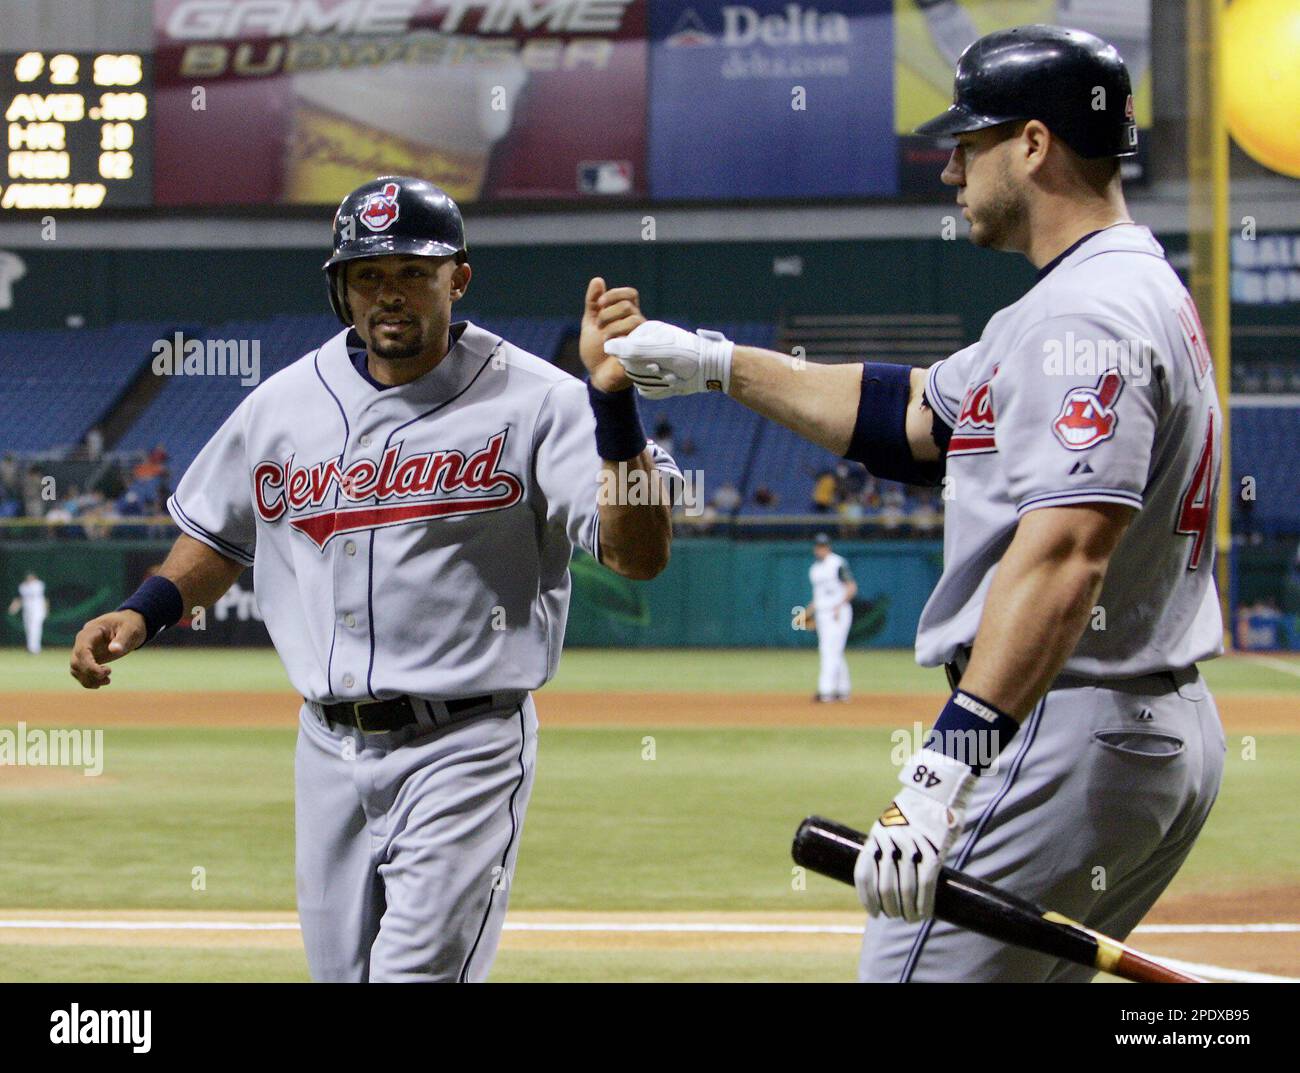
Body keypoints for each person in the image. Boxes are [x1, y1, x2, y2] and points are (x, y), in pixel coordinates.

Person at [609, 26, 1225, 982]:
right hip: (1137, 728)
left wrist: (940, 776)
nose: (950, 171)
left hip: (1062, 724)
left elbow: (1065, 556)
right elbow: (909, 418)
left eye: (967, 143)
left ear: (1033, 143)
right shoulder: (1109, 291)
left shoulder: (1084, 314)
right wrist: (716, 364)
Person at [70, 176, 679, 983]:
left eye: (411, 273)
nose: (389, 294)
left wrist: (614, 409)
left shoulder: (540, 400)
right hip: (325, 745)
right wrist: (144, 611)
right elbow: (218, 532)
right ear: (341, 288)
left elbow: (638, 553)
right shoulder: (283, 404)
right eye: (369, 275)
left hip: (465, 742)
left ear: (456, 279)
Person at [806, 534, 856, 702]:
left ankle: (825, 690)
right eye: (818, 546)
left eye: (824, 546)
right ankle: (843, 690)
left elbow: (851, 587)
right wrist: (807, 612)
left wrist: (839, 606)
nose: (820, 549)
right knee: (834, 651)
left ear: (829, 547)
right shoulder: (815, 569)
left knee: (829, 650)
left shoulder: (837, 563)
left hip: (838, 612)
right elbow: (819, 597)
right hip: (822, 613)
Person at [9, 572, 48, 654]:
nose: (29, 579)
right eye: (28, 578)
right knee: (28, 629)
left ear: (35, 577)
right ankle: (31, 647)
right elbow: (19, 599)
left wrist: (46, 610)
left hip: (38, 610)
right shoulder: (23, 587)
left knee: (35, 628)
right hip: (27, 610)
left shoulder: (39, 585)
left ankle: (35, 648)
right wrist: (14, 607)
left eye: (31, 577)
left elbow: (45, 598)